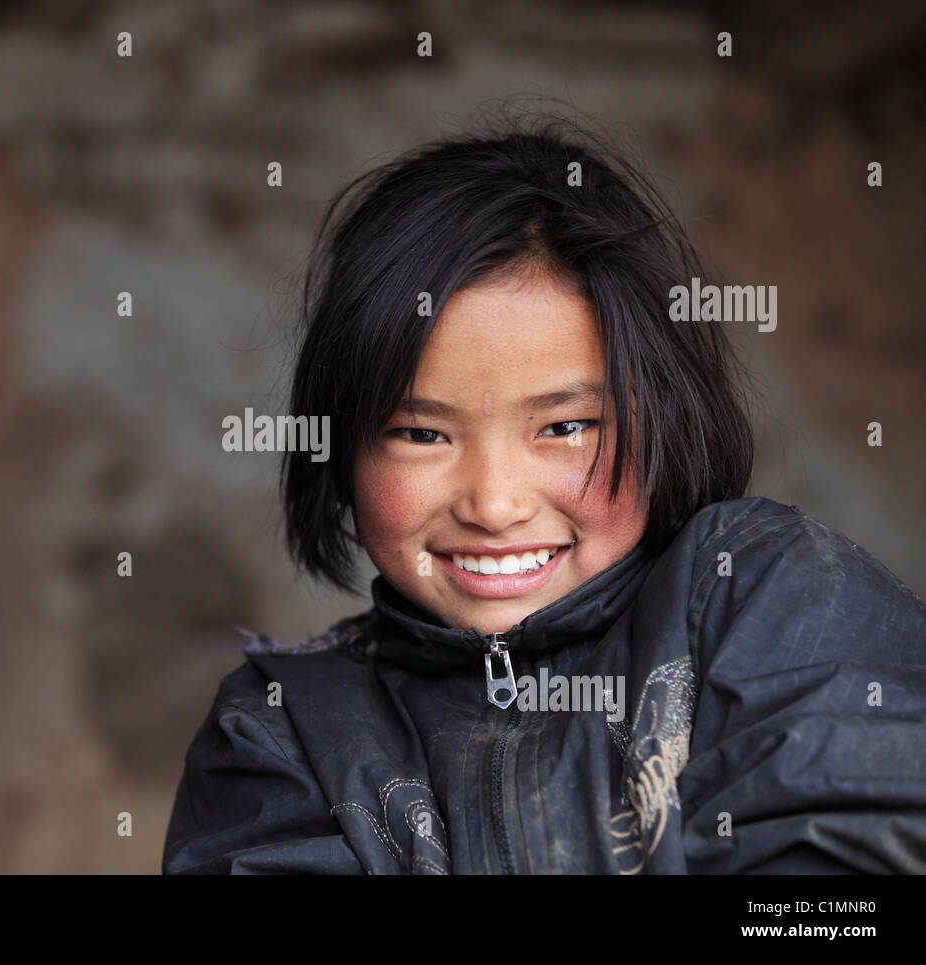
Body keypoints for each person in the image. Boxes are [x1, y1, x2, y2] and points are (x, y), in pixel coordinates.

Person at [161, 115, 926, 874]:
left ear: (665, 414)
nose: (494, 506)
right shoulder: (280, 723)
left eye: (564, 426)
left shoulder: (773, 598)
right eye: (422, 434)